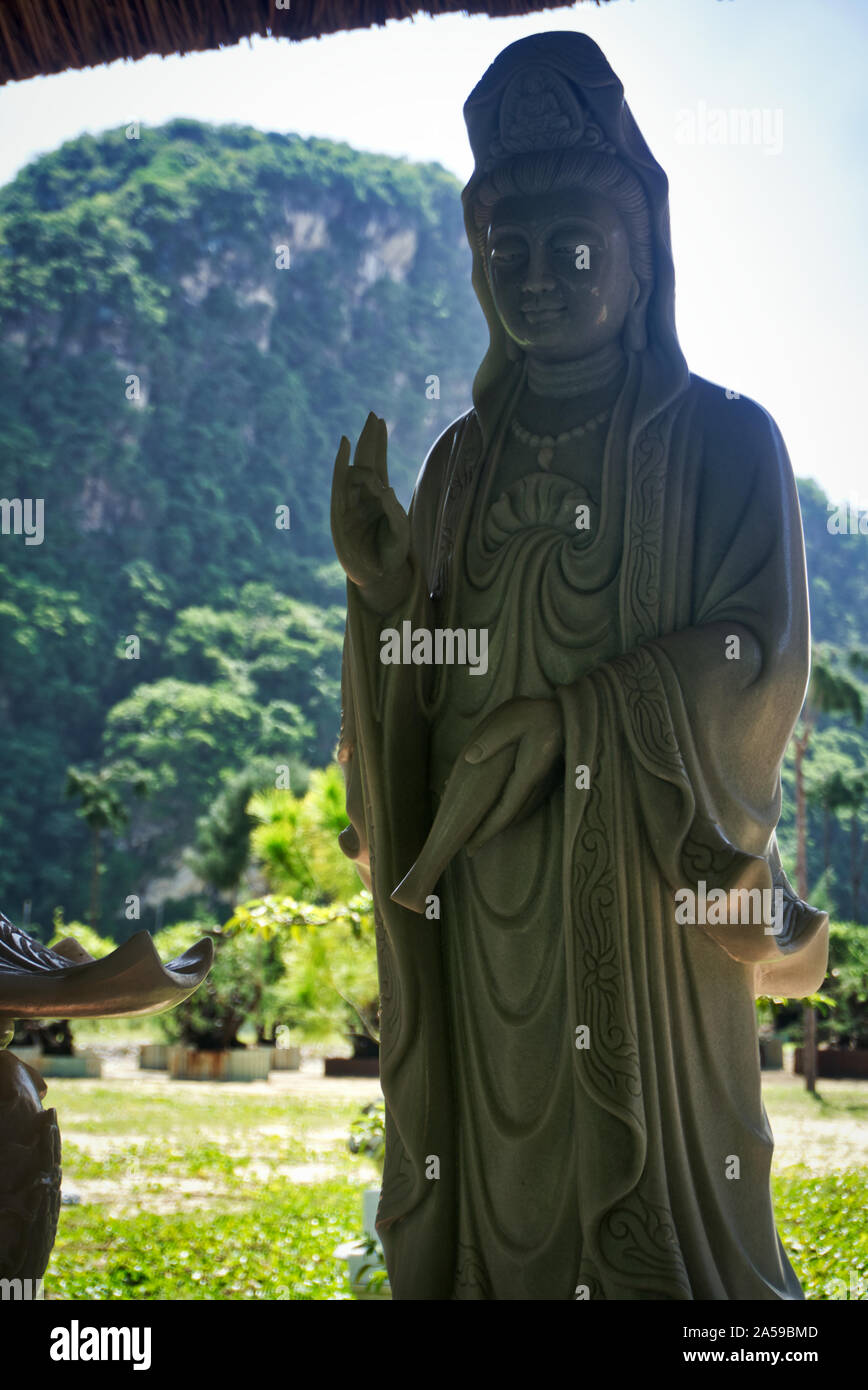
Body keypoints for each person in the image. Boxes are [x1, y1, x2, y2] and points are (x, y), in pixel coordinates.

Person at [330, 32, 828, 1300]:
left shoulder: (724, 440)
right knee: (502, 1184)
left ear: (638, 252)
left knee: (657, 1199)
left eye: (574, 248)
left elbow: (757, 651)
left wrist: (578, 721)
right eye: (510, 253)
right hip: (488, 883)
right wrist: (382, 594)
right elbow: (418, 688)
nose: (540, 279)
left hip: (647, 886)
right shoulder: (457, 465)